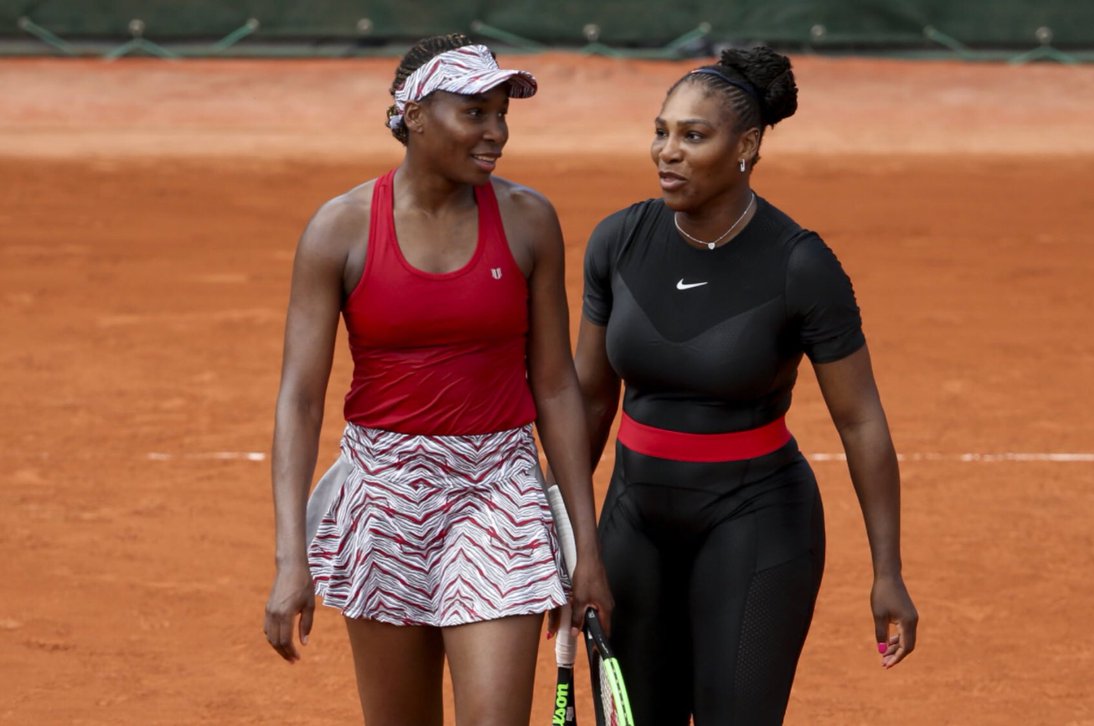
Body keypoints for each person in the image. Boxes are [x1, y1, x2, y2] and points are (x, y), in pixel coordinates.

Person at [262, 33, 612, 726]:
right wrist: (290, 558)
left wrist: (586, 546)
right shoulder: (339, 229)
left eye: (501, 114)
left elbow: (555, 386)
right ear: (415, 115)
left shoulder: (529, 220)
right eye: (475, 113)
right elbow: (299, 401)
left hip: (499, 490)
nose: (496, 133)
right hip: (382, 496)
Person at [570, 46, 919, 724]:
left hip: (756, 523)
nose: (668, 152)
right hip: (633, 522)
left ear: (747, 147)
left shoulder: (801, 265)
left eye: (693, 136)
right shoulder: (617, 241)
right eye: (662, 131)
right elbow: (586, 400)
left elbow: (861, 421)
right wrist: (561, 531)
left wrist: (888, 571)